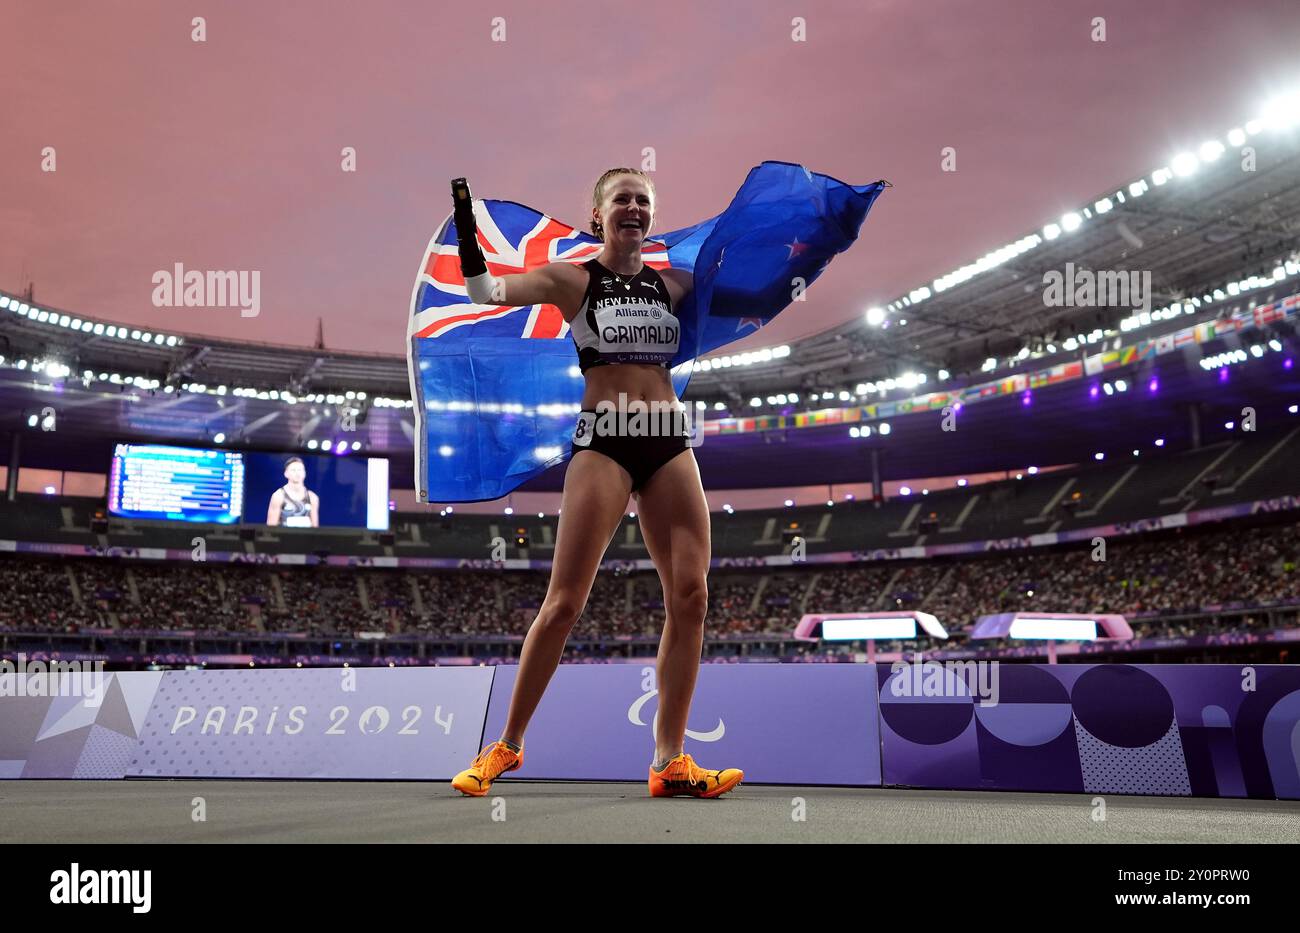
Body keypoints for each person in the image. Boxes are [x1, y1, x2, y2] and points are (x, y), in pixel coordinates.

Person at [450, 168, 742, 798]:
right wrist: (467, 224)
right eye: (621, 200)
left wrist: (809, 235)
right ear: (597, 215)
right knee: (564, 603)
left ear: (652, 216)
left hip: (667, 437)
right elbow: (481, 290)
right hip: (606, 439)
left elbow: (753, 281)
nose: (633, 209)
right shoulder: (573, 279)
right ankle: (507, 746)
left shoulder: (678, 284)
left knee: (691, 596)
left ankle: (669, 761)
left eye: (643, 201)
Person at [266, 457, 319, 528]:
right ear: (286, 473)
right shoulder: (278, 496)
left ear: (305, 473)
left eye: (300, 470)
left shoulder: (312, 497)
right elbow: (271, 526)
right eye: (293, 470)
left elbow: (315, 528)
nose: (297, 473)